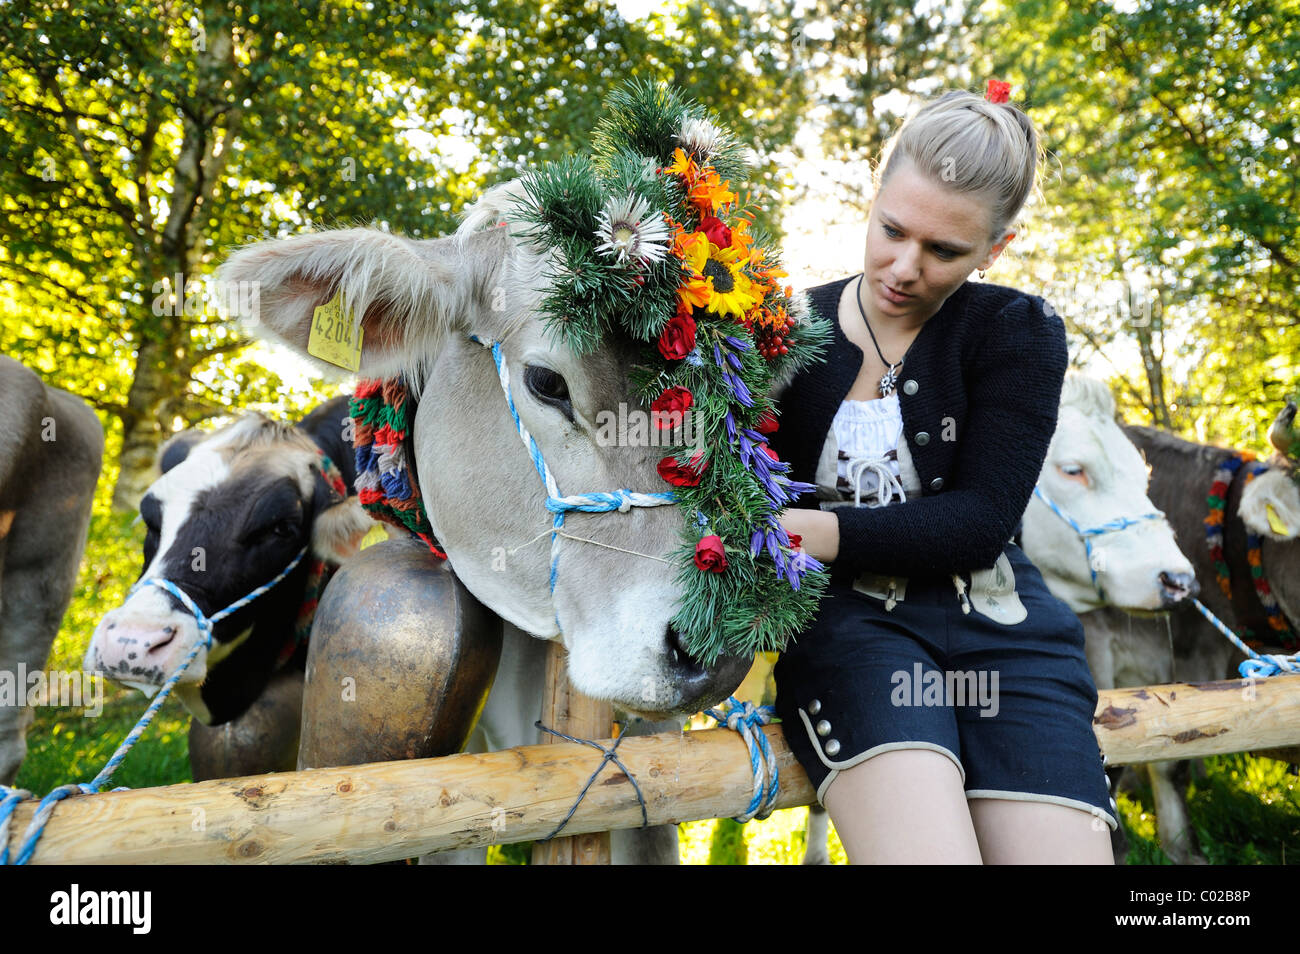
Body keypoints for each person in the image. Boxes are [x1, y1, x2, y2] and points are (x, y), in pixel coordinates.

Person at [772, 84, 1117, 864]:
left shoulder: (1017, 331)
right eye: (891, 231)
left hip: (1005, 629)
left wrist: (812, 531)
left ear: (996, 249)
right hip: (853, 631)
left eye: (945, 251)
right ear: (873, 196)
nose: (903, 267)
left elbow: (980, 520)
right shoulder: (783, 332)